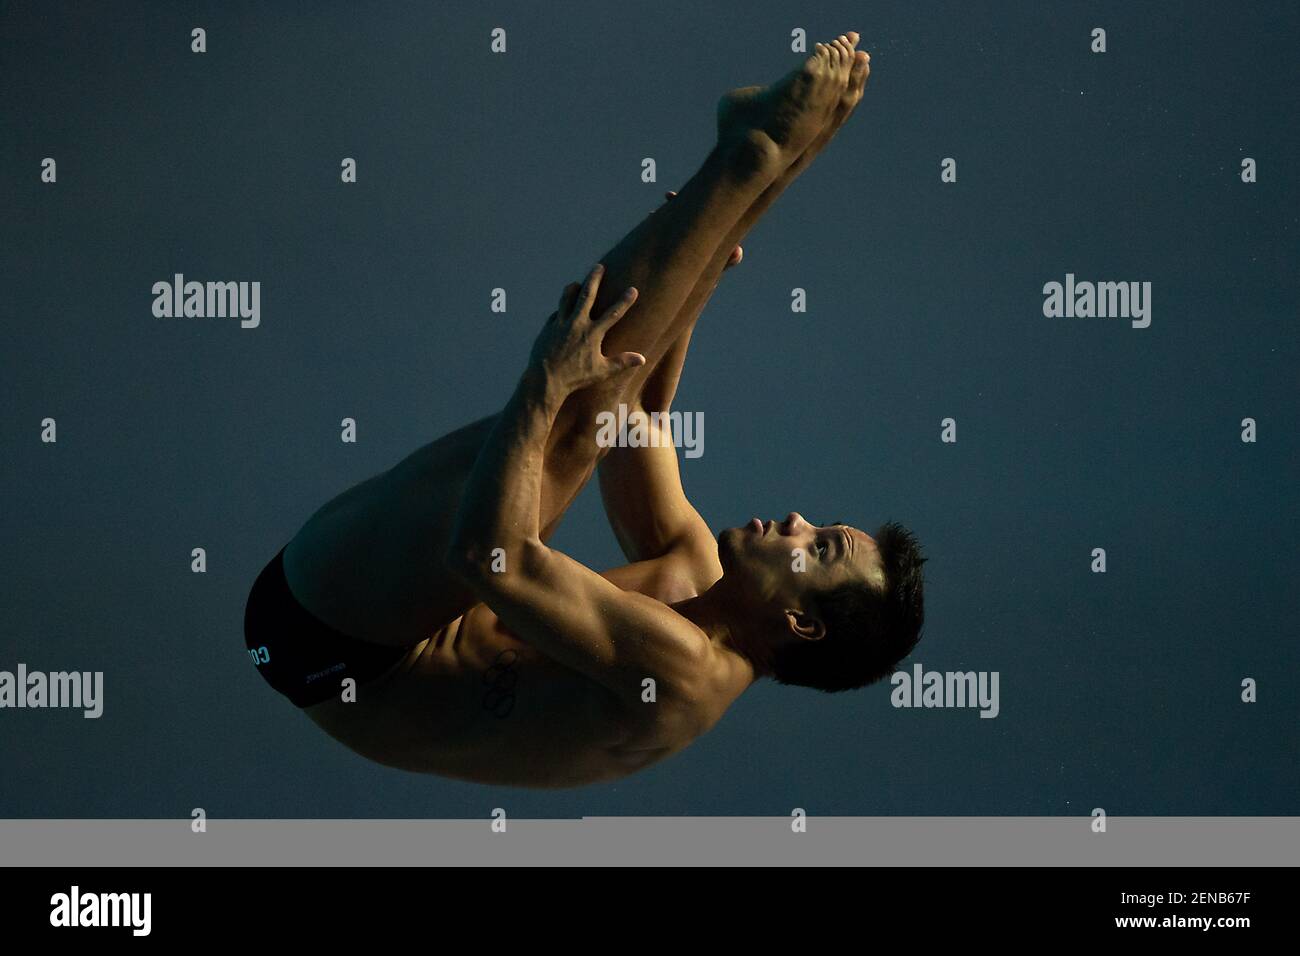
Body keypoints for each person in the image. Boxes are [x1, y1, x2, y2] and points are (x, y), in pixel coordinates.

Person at [244, 32, 926, 788]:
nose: (799, 519)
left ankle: (754, 154)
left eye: (820, 548)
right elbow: (637, 419)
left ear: (801, 622)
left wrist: (544, 382)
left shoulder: (685, 676)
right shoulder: (695, 574)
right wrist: (704, 259)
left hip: (338, 647)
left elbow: (488, 556)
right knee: (597, 415)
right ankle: (767, 158)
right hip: (379, 600)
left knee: (563, 429)